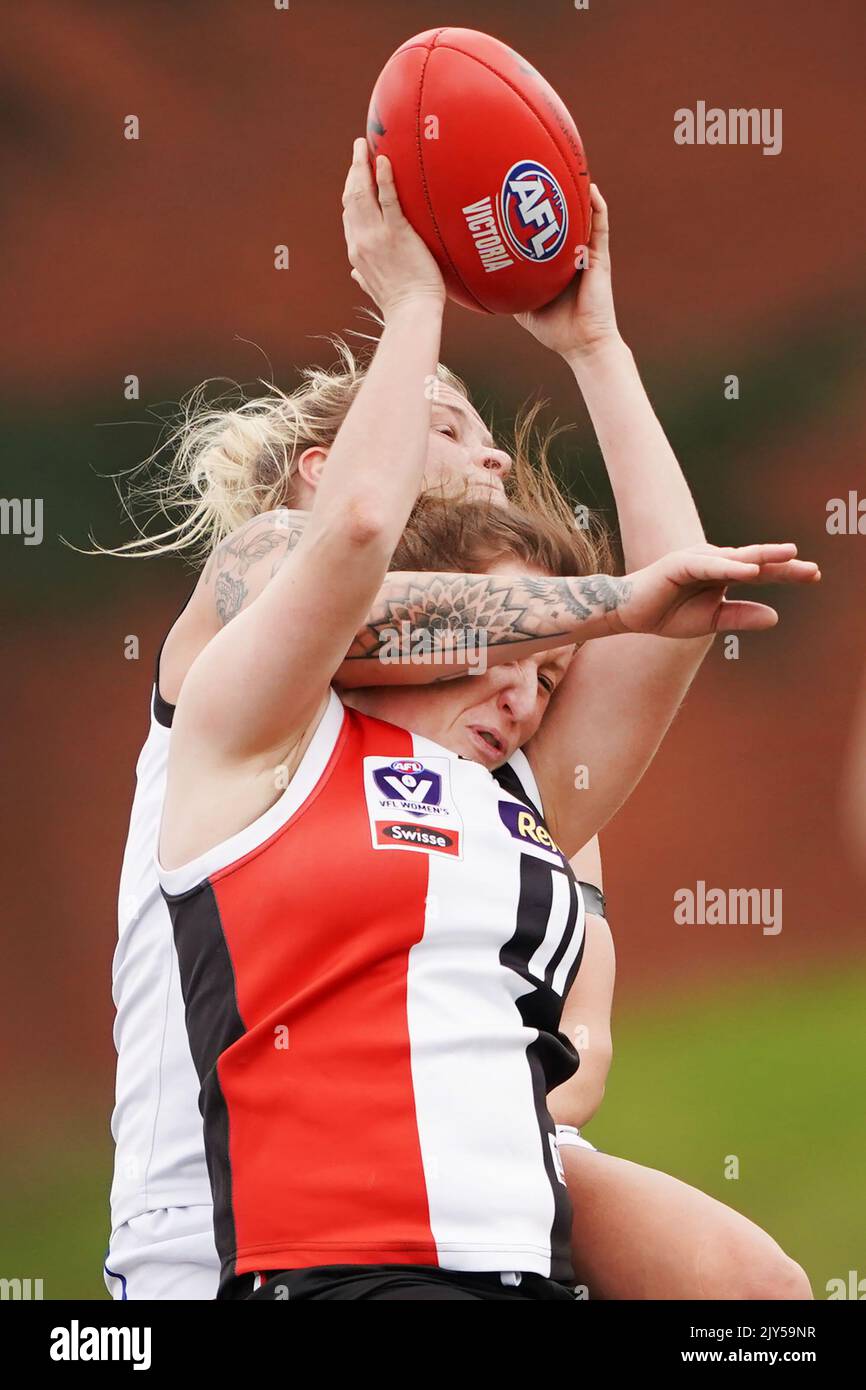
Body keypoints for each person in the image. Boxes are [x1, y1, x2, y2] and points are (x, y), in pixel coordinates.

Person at [104, 140, 816, 1299]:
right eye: (448, 425)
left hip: (466, 1197)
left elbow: (662, 615)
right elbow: (348, 558)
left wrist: (594, 347)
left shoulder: (500, 763)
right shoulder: (258, 621)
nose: (489, 452)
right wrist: (411, 305)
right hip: (233, 1227)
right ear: (319, 468)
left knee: (753, 1293)